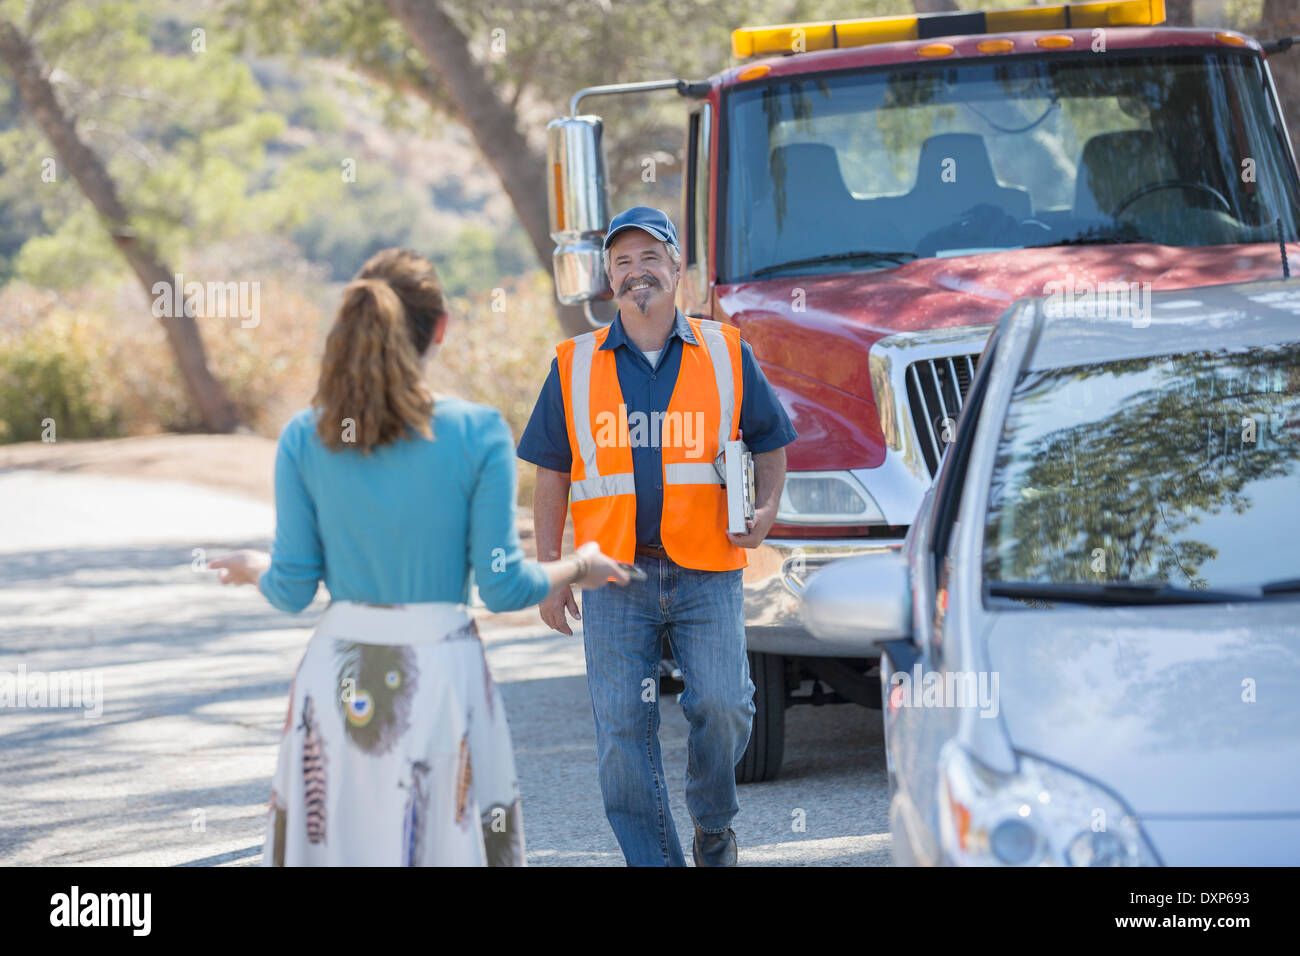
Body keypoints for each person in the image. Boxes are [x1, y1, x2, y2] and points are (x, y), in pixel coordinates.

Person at [209, 248, 629, 866]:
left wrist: (253, 569)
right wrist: (579, 566)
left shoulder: (305, 435)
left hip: (338, 680)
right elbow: (504, 587)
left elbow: (294, 589)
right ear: (440, 328)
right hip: (438, 680)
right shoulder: (476, 431)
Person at [517, 207, 798, 866]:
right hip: (612, 574)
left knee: (726, 707)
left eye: (650, 259)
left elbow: (771, 441)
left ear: (676, 270)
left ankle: (713, 821)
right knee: (620, 731)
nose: (636, 273)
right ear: (607, 280)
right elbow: (551, 472)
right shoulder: (573, 365)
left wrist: (769, 507)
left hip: (707, 567)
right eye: (622, 263)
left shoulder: (726, 352)